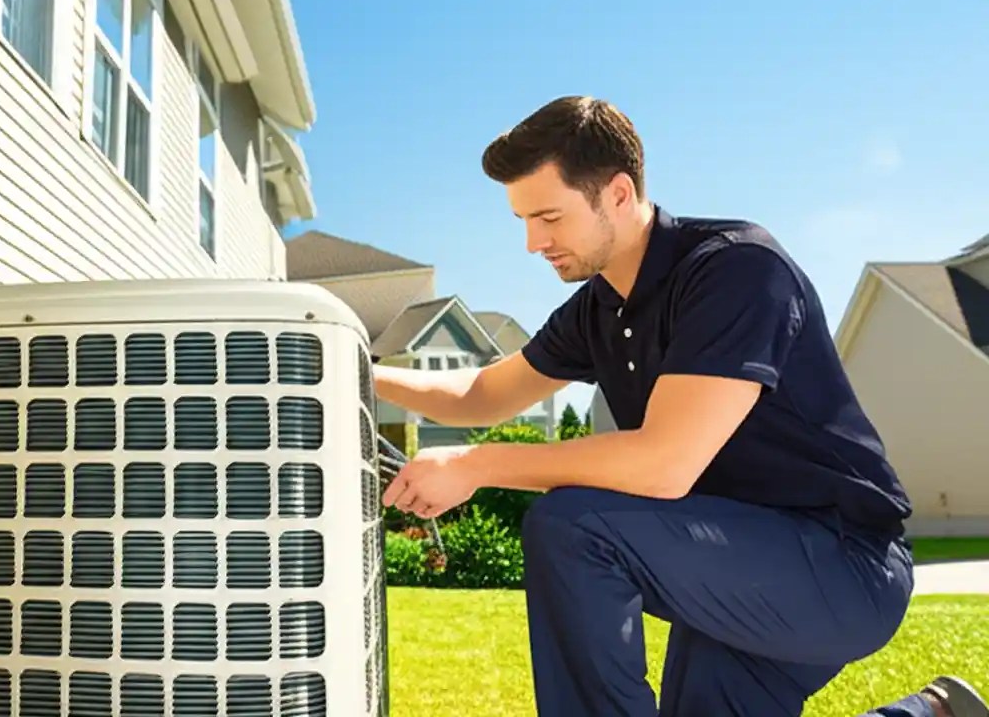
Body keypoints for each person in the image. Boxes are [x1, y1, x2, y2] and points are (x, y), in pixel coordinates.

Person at [374, 95, 988, 717]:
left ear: (617, 193)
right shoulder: (599, 308)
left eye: (550, 217)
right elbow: (482, 394)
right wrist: (355, 371)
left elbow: (663, 464)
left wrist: (478, 466)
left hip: (840, 565)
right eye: (523, 220)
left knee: (574, 525)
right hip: (732, 555)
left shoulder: (736, 270)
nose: (534, 242)